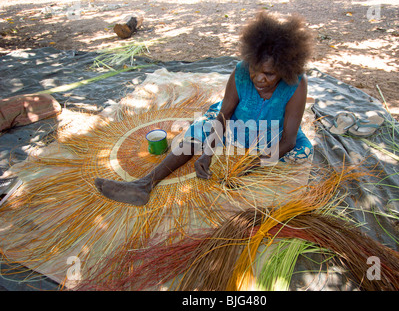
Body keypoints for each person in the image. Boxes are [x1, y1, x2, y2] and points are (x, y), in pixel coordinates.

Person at [94, 11, 315, 206]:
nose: (259, 78)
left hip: (269, 134)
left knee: (300, 153)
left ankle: (252, 157)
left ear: (285, 70)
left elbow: (288, 139)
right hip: (235, 125)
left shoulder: (296, 83)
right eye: (255, 69)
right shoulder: (240, 72)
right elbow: (224, 115)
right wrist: (207, 154)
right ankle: (144, 183)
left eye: (270, 74)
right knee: (198, 133)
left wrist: (250, 165)